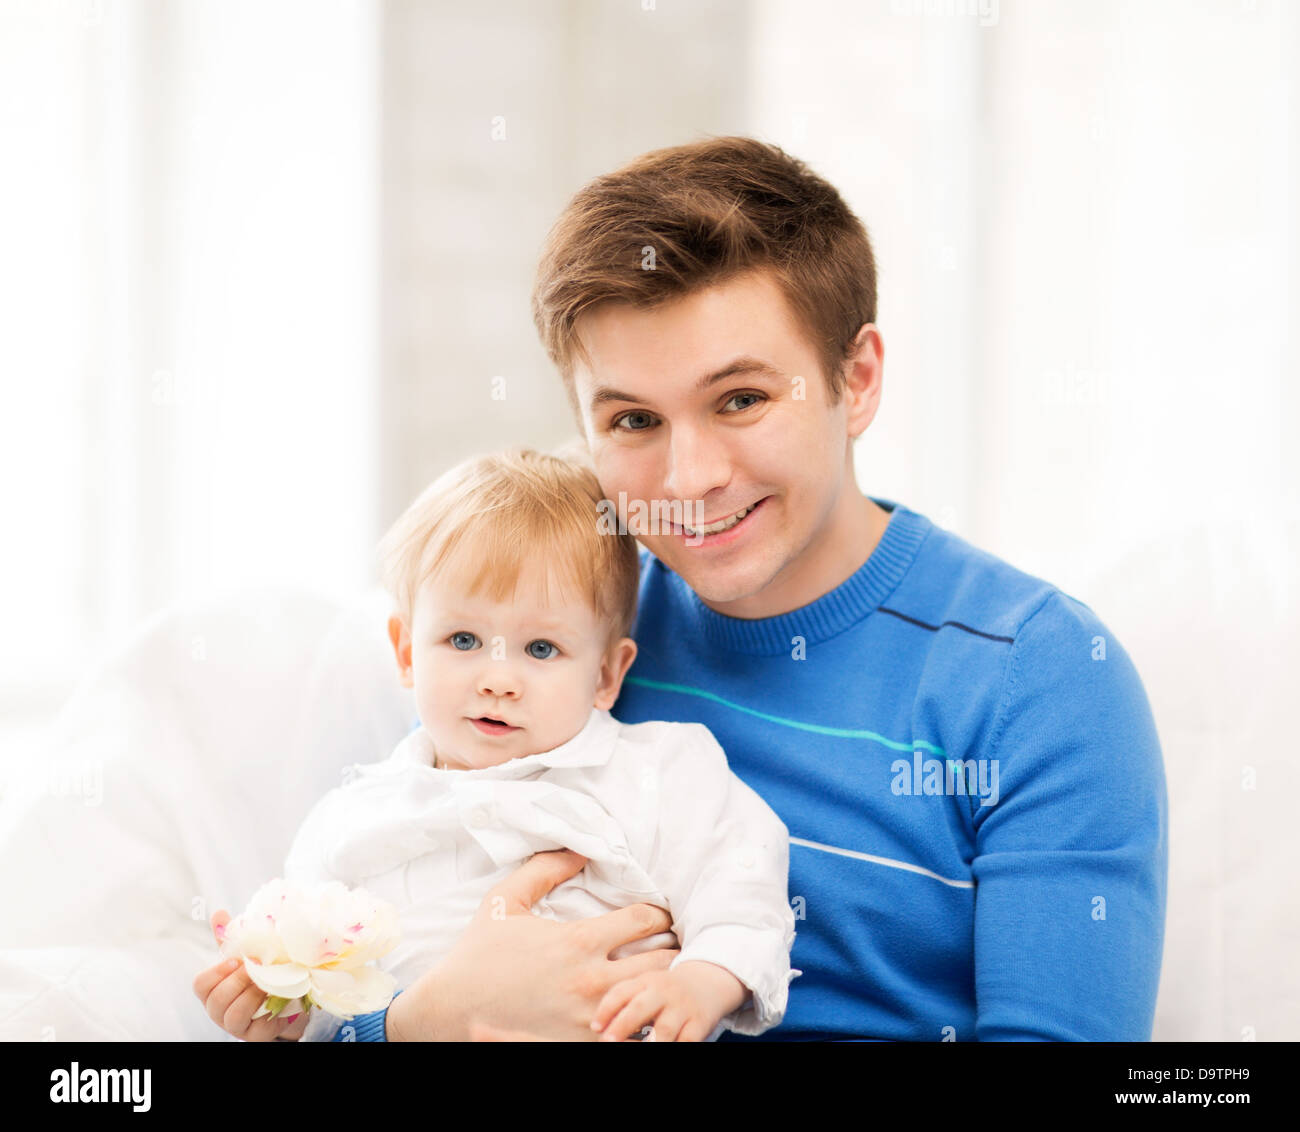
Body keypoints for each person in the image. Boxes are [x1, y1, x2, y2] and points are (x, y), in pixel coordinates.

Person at [193, 448, 797, 1043]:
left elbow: (741, 884)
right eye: (463, 639)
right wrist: (279, 1008)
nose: (497, 679)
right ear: (406, 652)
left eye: (540, 649)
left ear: (608, 675)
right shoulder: (350, 821)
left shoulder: (658, 770)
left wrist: (704, 980)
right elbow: (329, 1005)